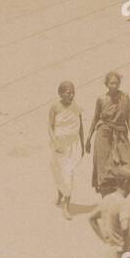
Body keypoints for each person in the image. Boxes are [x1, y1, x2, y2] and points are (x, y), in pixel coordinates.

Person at [86, 71, 130, 192]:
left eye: (116, 83)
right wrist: (88, 139)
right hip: (103, 134)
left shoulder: (125, 97)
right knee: (104, 167)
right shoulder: (101, 99)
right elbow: (95, 119)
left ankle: (119, 195)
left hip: (120, 134)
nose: (114, 85)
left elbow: (129, 118)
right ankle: (106, 195)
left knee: (125, 165)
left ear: (120, 83)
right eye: (111, 83)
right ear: (106, 84)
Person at [48, 80, 85, 215]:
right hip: (58, 145)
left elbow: (80, 126)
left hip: (73, 146)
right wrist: (55, 142)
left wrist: (83, 144)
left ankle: (66, 207)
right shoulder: (55, 107)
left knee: (68, 174)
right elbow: (50, 126)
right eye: (68, 92)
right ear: (61, 93)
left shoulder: (76, 106)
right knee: (57, 172)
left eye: (73, 92)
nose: (71, 95)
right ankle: (60, 194)